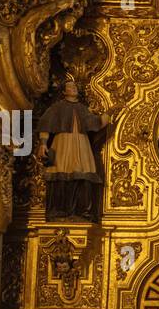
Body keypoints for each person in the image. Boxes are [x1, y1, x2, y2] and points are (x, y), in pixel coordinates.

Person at [37, 80, 113, 222]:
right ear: (64, 92)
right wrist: (43, 143)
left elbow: (96, 123)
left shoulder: (82, 109)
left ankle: (80, 210)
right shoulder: (57, 108)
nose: (73, 89)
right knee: (61, 172)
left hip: (81, 143)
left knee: (83, 173)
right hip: (63, 142)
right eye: (70, 87)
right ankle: (60, 210)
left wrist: (109, 113)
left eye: (75, 86)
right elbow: (45, 124)